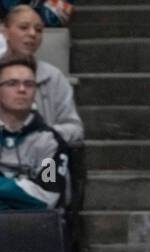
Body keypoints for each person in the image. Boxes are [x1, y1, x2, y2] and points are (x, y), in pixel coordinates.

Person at [1, 3, 80, 144]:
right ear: (5, 32)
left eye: (38, 30)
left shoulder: (53, 77)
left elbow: (74, 128)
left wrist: (40, 135)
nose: (32, 34)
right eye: (24, 27)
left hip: (43, 158)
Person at [0, 53, 68, 210]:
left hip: (30, 228)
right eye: (12, 83)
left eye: (29, 84)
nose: (22, 89)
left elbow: (47, 194)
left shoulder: (50, 142)